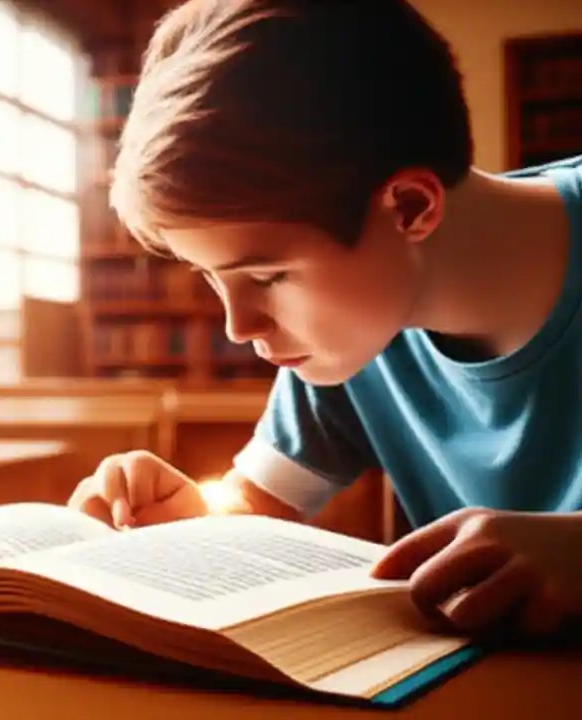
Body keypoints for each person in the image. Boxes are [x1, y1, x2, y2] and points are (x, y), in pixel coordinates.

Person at [68, 0, 582, 638]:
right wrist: (183, 519)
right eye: (211, 277)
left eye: (268, 277)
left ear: (409, 207)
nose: (237, 328)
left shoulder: (357, 318)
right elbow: (253, 505)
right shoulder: (359, 334)